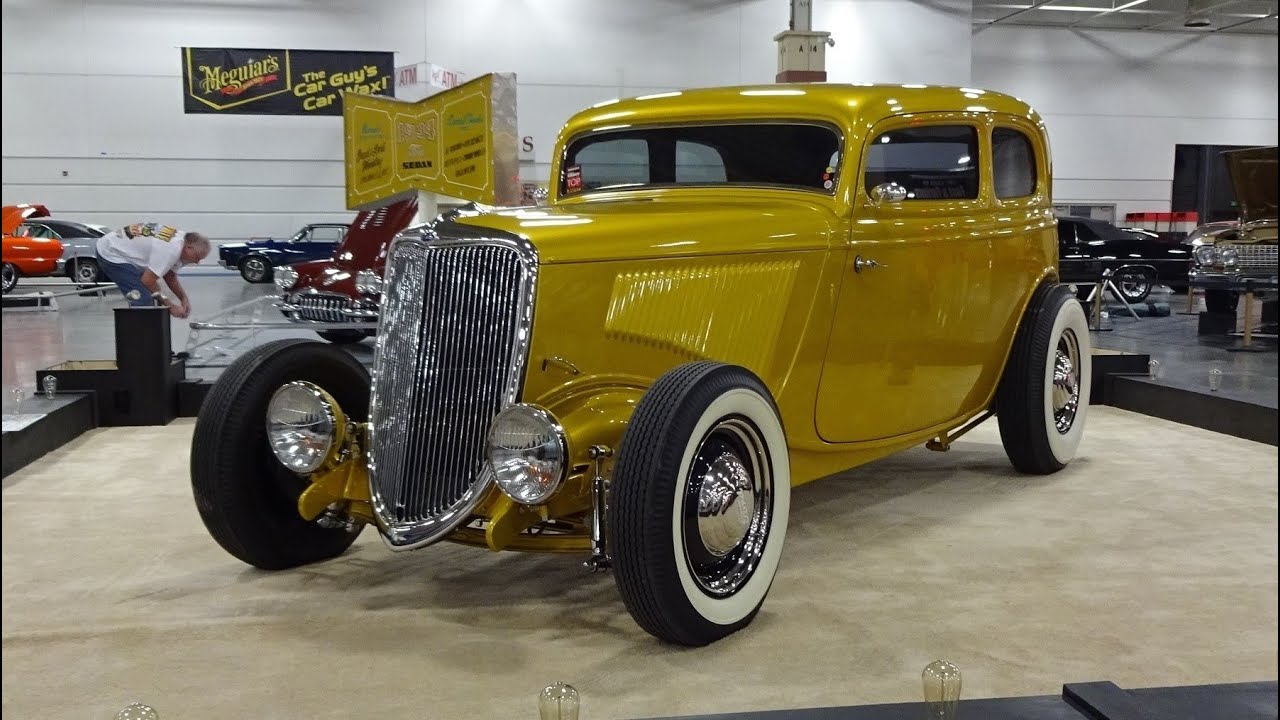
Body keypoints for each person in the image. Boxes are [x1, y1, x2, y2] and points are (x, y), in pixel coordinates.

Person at [95, 223, 210, 318]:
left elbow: (170, 276)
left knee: (154, 297)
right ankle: (140, 339)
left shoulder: (181, 241)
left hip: (118, 246)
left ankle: (151, 335)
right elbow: (148, 281)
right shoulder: (170, 250)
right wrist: (171, 307)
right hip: (110, 252)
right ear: (189, 248)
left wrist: (183, 298)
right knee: (143, 299)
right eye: (197, 257)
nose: (197, 262)